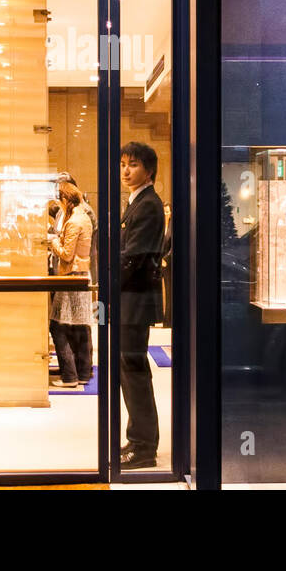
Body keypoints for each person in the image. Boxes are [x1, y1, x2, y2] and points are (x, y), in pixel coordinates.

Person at [118, 142, 164, 469]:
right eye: (123, 164)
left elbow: (132, 258)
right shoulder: (137, 201)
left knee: (134, 371)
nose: (125, 170)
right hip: (129, 299)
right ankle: (138, 439)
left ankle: (144, 446)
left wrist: (108, 284)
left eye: (132, 165)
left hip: (134, 299)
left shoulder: (148, 204)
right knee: (131, 371)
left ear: (148, 170)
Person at [47, 181, 94, 388]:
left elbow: (66, 253)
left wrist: (52, 240)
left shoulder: (74, 221)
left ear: (65, 199)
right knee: (80, 326)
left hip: (71, 276)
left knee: (57, 326)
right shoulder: (84, 216)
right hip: (81, 275)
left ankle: (69, 376)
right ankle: (82, 373)